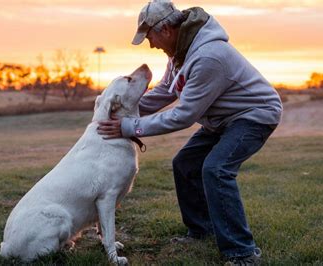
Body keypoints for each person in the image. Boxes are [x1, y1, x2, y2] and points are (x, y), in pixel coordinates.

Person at [97, 0, 283, 264]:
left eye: (149, 37)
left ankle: (243, 253)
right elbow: (165, 91)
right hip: (221, 119)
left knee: (216, 169)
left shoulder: (209, 56)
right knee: (185, 163)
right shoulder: (180, 53)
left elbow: (184, 115)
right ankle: (201, 230)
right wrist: (122, 109)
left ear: (166, 31)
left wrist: (128, 127)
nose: (151, 45)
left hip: (254, 115)